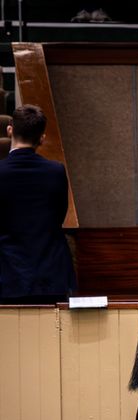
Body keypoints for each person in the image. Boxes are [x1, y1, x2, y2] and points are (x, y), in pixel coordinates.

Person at [0, 105, 77, 303]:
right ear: (42, 138)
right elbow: (59, 215)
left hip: (7, 275)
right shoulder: (56, 171)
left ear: (10, 130)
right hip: (51, 274)